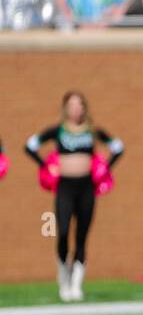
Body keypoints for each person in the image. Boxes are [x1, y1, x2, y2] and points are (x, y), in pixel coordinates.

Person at [24, 90, 124, 302]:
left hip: (86, 187)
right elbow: (30, 146)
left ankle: (76, 285)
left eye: (79, 104)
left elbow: (118, 147)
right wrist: (45, 167)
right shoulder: (57, 131)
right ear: (65, 108)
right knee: (62, 231)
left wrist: (106, 168)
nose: (76, 108)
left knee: (81, 235)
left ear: (84, 108)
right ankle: (64, 278)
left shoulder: (92, 131)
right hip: (65, 187)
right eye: (71, 105)